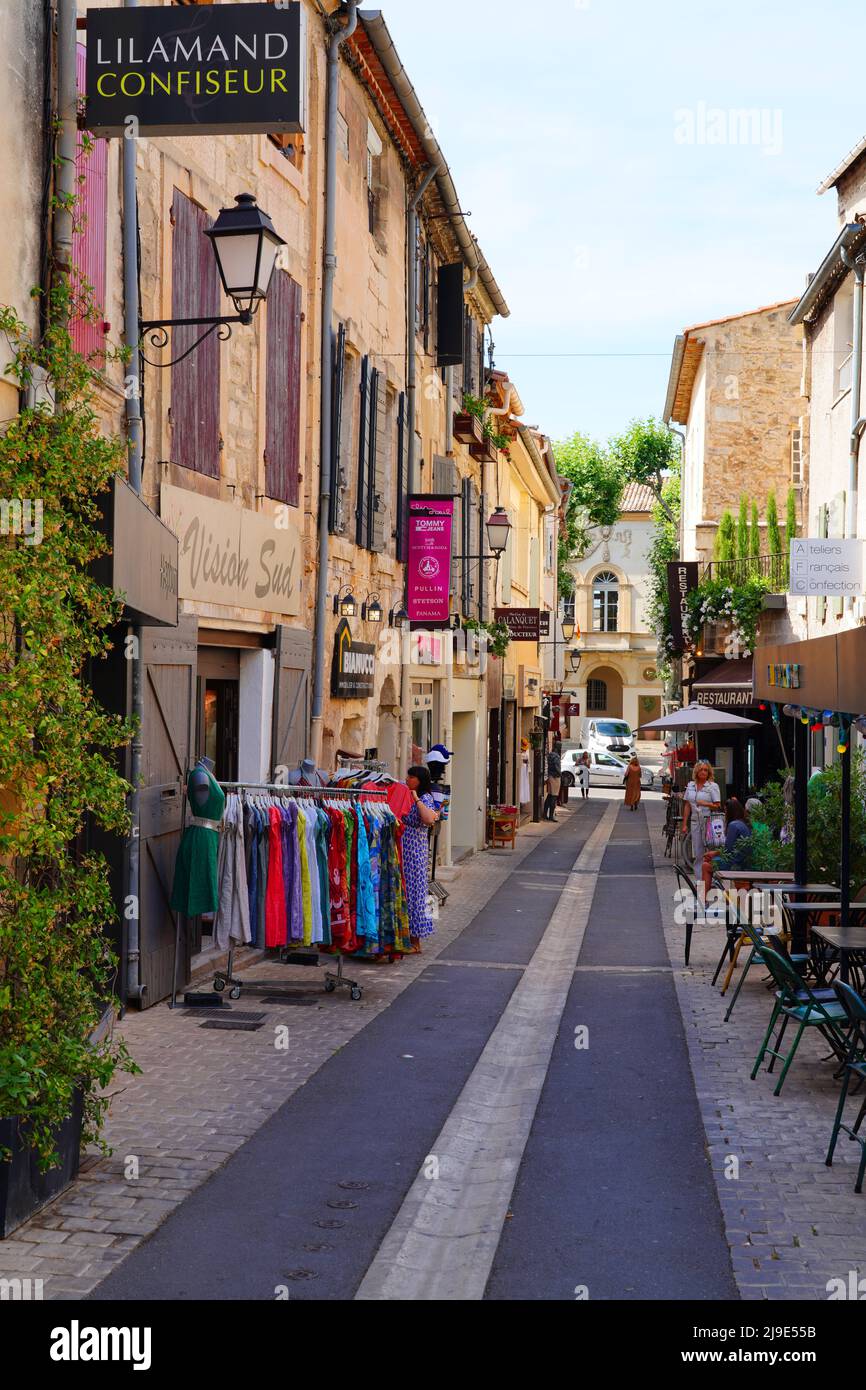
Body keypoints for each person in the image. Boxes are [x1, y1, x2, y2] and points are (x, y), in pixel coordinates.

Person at [401, 766, 440, 943]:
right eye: (408, 776)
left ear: (420, 780)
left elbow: (428, 819)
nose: (408, 779)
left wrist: (416, 798)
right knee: (404, 892)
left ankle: (416, 939)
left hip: (415, 851)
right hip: (402, 849)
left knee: (416, 893)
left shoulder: (426, 798)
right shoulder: (403, 793)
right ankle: (403, 935)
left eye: (412, 777)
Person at [701, 797, 753, 893]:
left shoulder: (733, 825)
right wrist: (715, 853)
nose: (725, 814)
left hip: (736, 864)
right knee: (709, 860)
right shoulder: (744, 823)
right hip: (743, 861)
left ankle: (702, 898)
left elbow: (728, 851)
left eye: (726, 811)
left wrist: (714, 854)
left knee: (705, 865)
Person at [681, 759, 723, 866]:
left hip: (709, 820)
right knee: (698, 853)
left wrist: (705, 804)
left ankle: (712, 880)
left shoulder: (712, 786)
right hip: (695, 821)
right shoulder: (690, 785)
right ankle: (700, 882)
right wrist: (684, 824)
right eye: (701, 770)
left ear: (708, 772)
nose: (703, 772)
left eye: (705, 770)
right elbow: (687, 805)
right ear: (696, 772)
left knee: (710, 851)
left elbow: (717, 806)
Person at [544, 741, 563, 822]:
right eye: (560, 746)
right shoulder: (556, 756)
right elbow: (557, 767)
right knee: (554, 796)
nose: (561, 748)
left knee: (549, 796)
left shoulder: (550, 755)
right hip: (555, 777)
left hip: (550, 775)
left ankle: (545, 814)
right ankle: (551, 816)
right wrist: (560, 773)